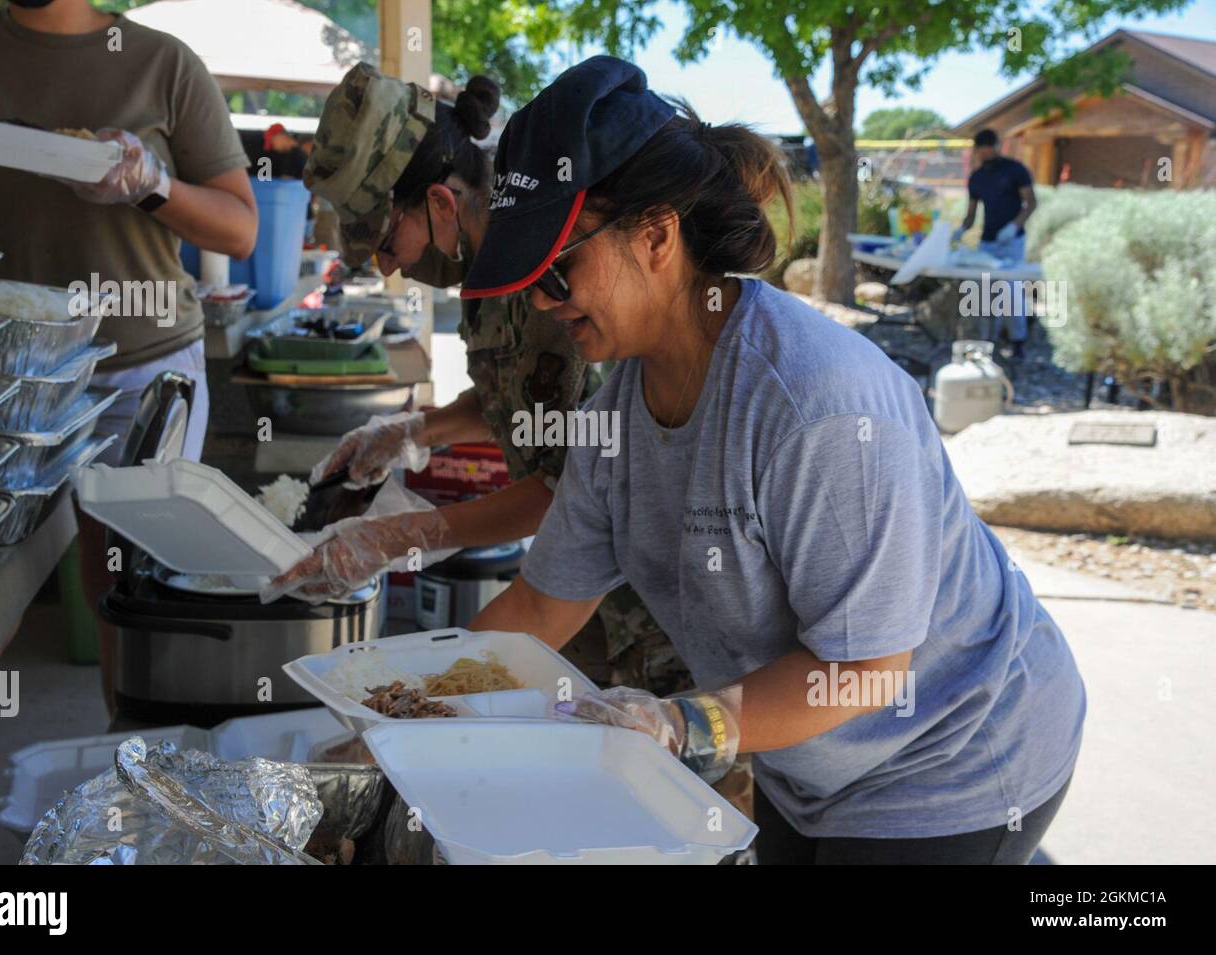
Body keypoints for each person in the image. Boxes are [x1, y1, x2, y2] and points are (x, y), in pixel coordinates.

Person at [461, 56, 1085, 864]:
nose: (542, 300)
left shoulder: (815, 407)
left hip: (956, 752)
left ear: (656, 234)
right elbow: (540, 609)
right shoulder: (614, 416)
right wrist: (395, 710)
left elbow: (864, 668)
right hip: (809, 764)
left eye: (556, 269)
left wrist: (682, 721)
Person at [0, 0, 256, 861]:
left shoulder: (163, 62)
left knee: (131, 607)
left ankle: (146, 826)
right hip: (5, 374)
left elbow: (240, 225)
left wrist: (152, 184)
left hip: (142, 367)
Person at [270, 63, 709, 717]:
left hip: (646, 619)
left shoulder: (549, 273)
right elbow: (523, 405)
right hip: (576, 590)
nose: (387, 267)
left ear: (441, 203)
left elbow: (565, 483)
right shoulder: (483, 272)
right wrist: (416, 431)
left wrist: (399, 536)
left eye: (387, 242)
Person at [954, 128, 1037, 359]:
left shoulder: (1015, 170)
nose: (987, 153)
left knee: (1011, 290)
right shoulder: (977, 177)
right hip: (987, 243)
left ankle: (1018, 340)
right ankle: (989, 338)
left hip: (1012, 241)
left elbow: (1030, 203)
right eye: (983, 150)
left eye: (991, 148)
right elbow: (971, 214)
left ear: (997, 147)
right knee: (983, 292)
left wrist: (1014, 226)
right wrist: (960, 231)